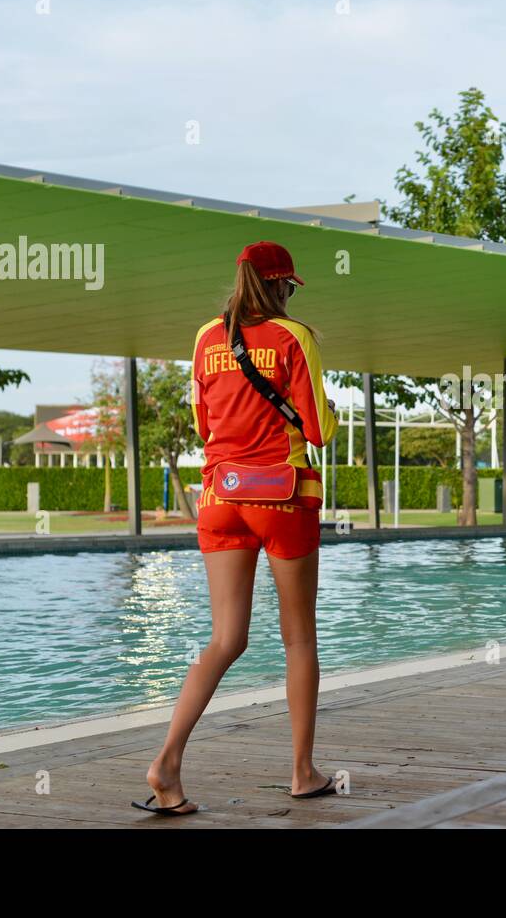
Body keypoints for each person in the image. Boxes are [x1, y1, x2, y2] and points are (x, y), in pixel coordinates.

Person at [135, 241, 339, 815]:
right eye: (290, 287)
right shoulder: (293, 337)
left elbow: (204, 423)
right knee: (298, 637)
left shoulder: (207, 338)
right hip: (283, 495)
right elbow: (319, 429)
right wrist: (331, 411)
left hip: (221, 496)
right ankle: (302, 772)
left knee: (226, 638)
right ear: (280, 285)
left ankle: (167, 764)